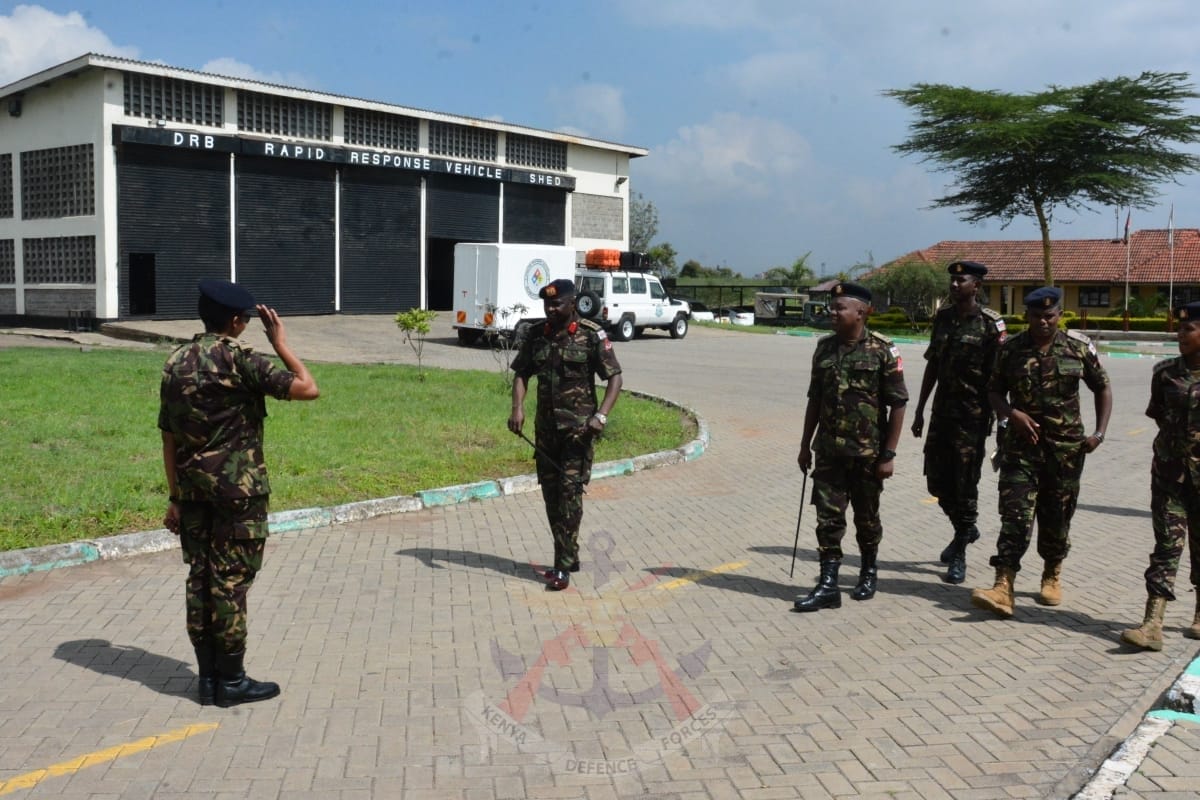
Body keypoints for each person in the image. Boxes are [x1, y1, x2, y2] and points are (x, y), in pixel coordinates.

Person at [159, 279, 319, 707]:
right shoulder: (241, 359)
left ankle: (208, 678)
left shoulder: (176, 362)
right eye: (246, 319)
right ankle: (231, 682)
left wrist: (175, 497)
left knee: (201, 580)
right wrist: (281, 343)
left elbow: (169, 439)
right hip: (237, 494)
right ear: (235, 321)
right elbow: (308, 387)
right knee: (229, 584)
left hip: (193, 492)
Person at [971, 286, 1111, 618]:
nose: (1044, 322)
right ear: (1027, 316)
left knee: (1056, 519)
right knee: (1015, 515)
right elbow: (993, 391)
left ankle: (1052, 572)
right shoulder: (1011, 350)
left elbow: (1102, 387)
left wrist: (1100, 433)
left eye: (1050, 316)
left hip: (1065, 451)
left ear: (1060, 315)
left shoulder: (1077, 348)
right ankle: (1003, 585)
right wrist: (1011, 413)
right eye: (1037, 316)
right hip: (1021, 450)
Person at [794, 281, 908, 611]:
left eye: (839, 307)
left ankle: (868, 571)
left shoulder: (883, 350)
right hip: (828, 451)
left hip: (867, 454)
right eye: (832, 307)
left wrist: (888, 454)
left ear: (861, 312)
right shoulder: (824, 349)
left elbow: (898, 403)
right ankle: (828, 584)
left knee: (867, 518)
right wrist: (805, 445)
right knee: (828, 520)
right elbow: (814, 400)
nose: (832, 312)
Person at [508, 278, 623, 591]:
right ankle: (569, 553)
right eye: (547, 304)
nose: (551, 309)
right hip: (545, 433)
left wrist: (601, 416)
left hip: (578, 432)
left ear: (573, 303)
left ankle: (561, 566)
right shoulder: (536, 335)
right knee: (551, 496)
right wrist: (517, 408)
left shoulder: (591, 335)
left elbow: (614, 377)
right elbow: (521, 373)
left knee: (569, 496)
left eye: (557, 304)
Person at [910, 260, 1007, 584]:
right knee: (935, 482)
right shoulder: (943, 318)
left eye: (960, 280)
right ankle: (966, 529)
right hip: (942, 414)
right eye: (951, 280)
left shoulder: (991, 325)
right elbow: (932, 365)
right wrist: (921, 408)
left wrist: (1002, 417)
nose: (953, 285)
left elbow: (999, 377)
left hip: (973, 418)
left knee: (965, 484)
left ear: (976, 286)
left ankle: (960, 555)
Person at [1120, 301, 1200, 651]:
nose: (1180, 334)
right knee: (1167, 547)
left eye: (1189, 329)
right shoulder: (1165, 373)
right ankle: (1153, 623)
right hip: (1170, 476)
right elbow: (1158, 414)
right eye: (1179, 329)